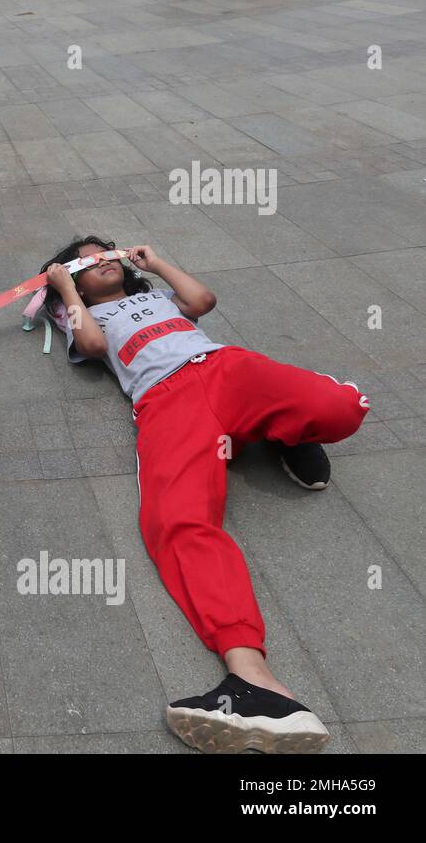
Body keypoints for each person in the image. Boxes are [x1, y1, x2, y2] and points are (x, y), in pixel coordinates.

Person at [37, 237, 368, 752]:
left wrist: (158, 264)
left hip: (223, 368)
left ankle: (285, 434)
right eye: (87, 259)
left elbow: (204, 301)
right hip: (165, 398)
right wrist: (62, 292)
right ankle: (254, 681)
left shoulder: (158, 299)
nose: (103, 259)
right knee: (173, 522)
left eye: (108, 251)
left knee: (340, 407)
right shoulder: (81, 315)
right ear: (73, 280)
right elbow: (93, 346)